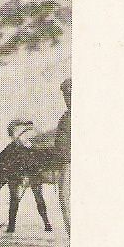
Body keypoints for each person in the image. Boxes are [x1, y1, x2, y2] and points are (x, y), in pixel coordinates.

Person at [54, 77, 71, 234]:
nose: (67, 99)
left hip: (70, 165)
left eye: (69, 95)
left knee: (67, 202)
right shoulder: (65, 118)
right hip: (66, 164)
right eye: (66, 95)